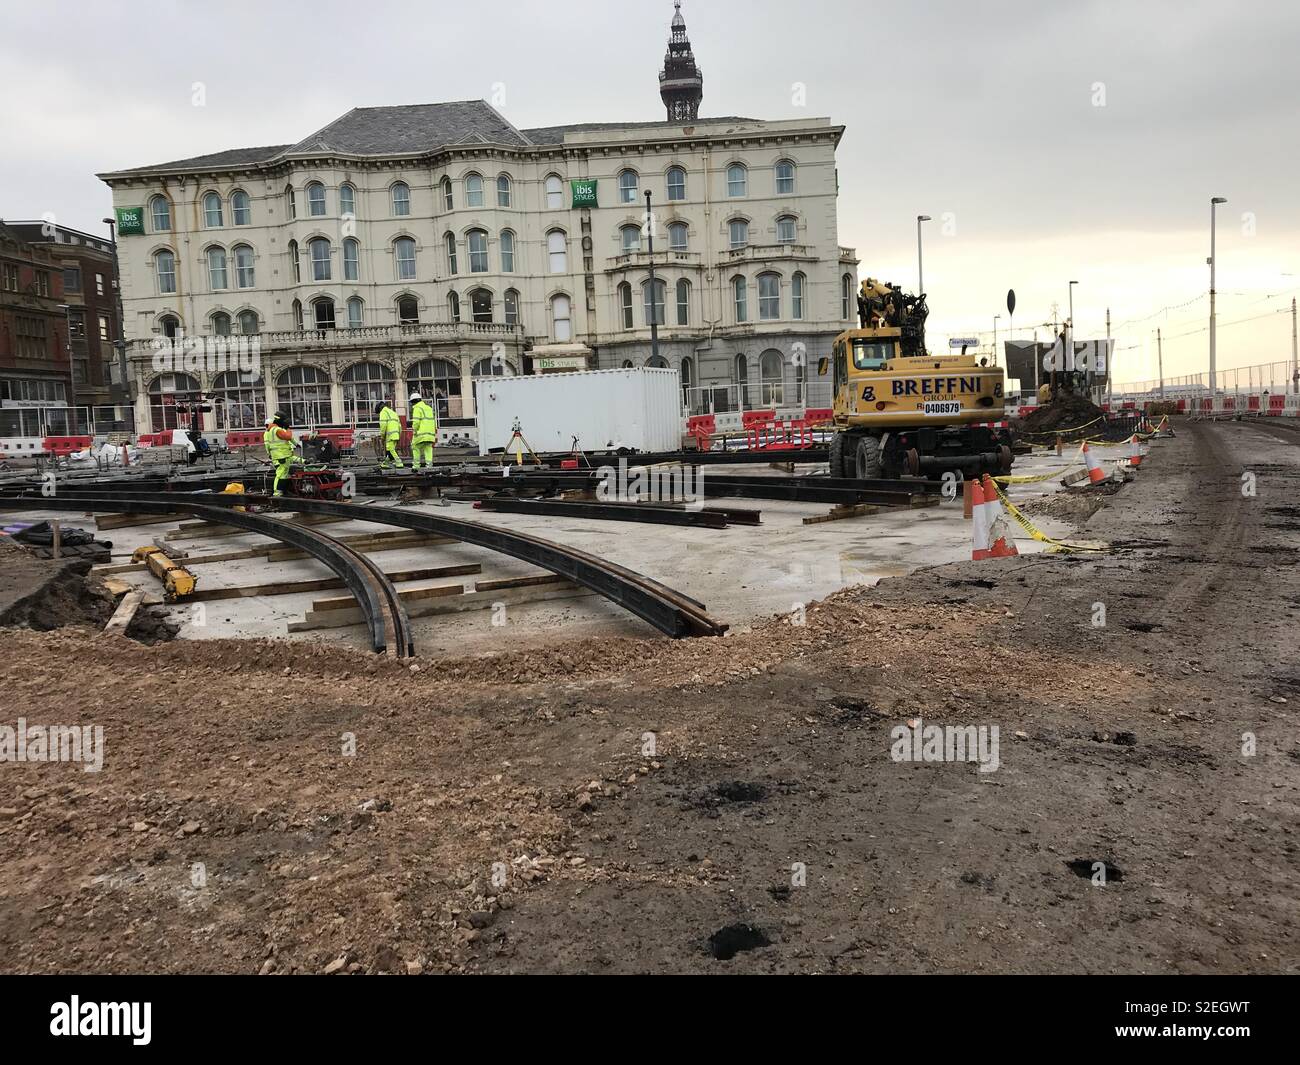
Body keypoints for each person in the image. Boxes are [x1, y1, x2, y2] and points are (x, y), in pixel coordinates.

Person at [263, 411, 296, 496]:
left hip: (280, 455)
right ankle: (277, 493)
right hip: (281, 456)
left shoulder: (271, 430)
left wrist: (296, 444)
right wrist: (288, 428)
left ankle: (282, 491)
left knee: (283, 474)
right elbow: (288, 437)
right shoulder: (277, 430)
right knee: (280, 474)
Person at [409, 390, 437, 470]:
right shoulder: (429, 408)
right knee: (428, 448)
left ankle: (416, 466)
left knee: (415, 446)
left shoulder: (417, 408)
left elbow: (416, 422)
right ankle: (429, 466)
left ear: (413, 402)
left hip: (421, 434)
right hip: (430, 434)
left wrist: (414, 431)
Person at [376, 400, 403, 468]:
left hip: (390, 434)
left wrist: (382, 436)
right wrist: (399, 434)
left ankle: (399, 462)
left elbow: (383, 425)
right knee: (389, 450)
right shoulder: (393, 412)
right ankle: (386, 463)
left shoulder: (383, 412)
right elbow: (399, 425)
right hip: (396, 434)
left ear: (379, 408)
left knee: (391, 449)